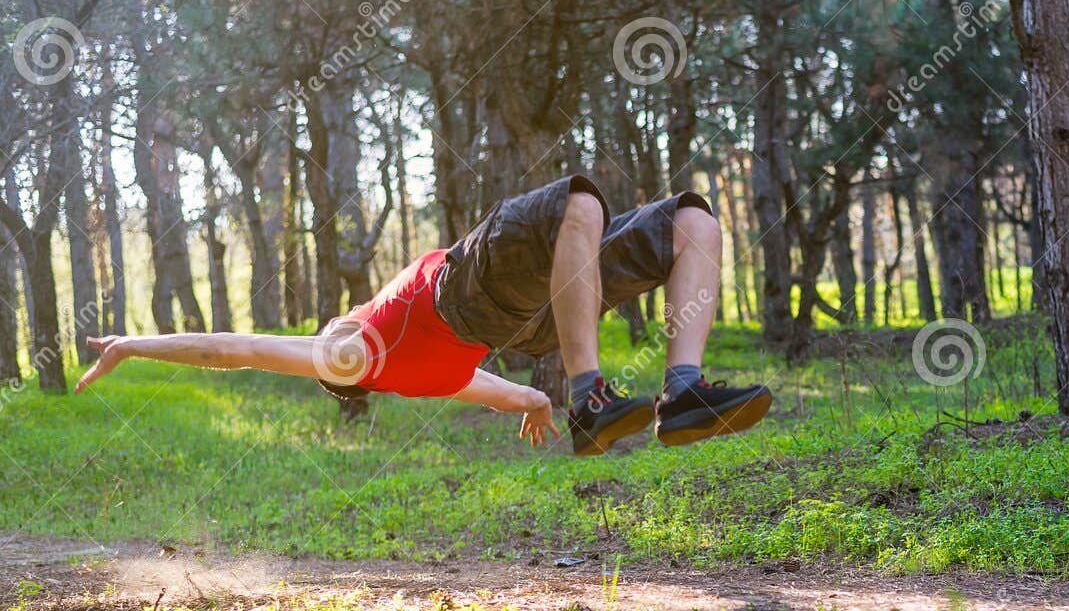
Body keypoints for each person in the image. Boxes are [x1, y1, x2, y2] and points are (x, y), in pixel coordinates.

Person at [75, 174, 772, 456]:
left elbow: (512, 392)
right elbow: (231, 349)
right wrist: (134, 344)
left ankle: (682, 390)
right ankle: (591, 394)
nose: (330, 326)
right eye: (326, 337)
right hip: (471, 291)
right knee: (580, 203)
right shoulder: (356, 356)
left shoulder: (434, 380)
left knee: (693, 222)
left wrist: (534, 402)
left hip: (525, 318)